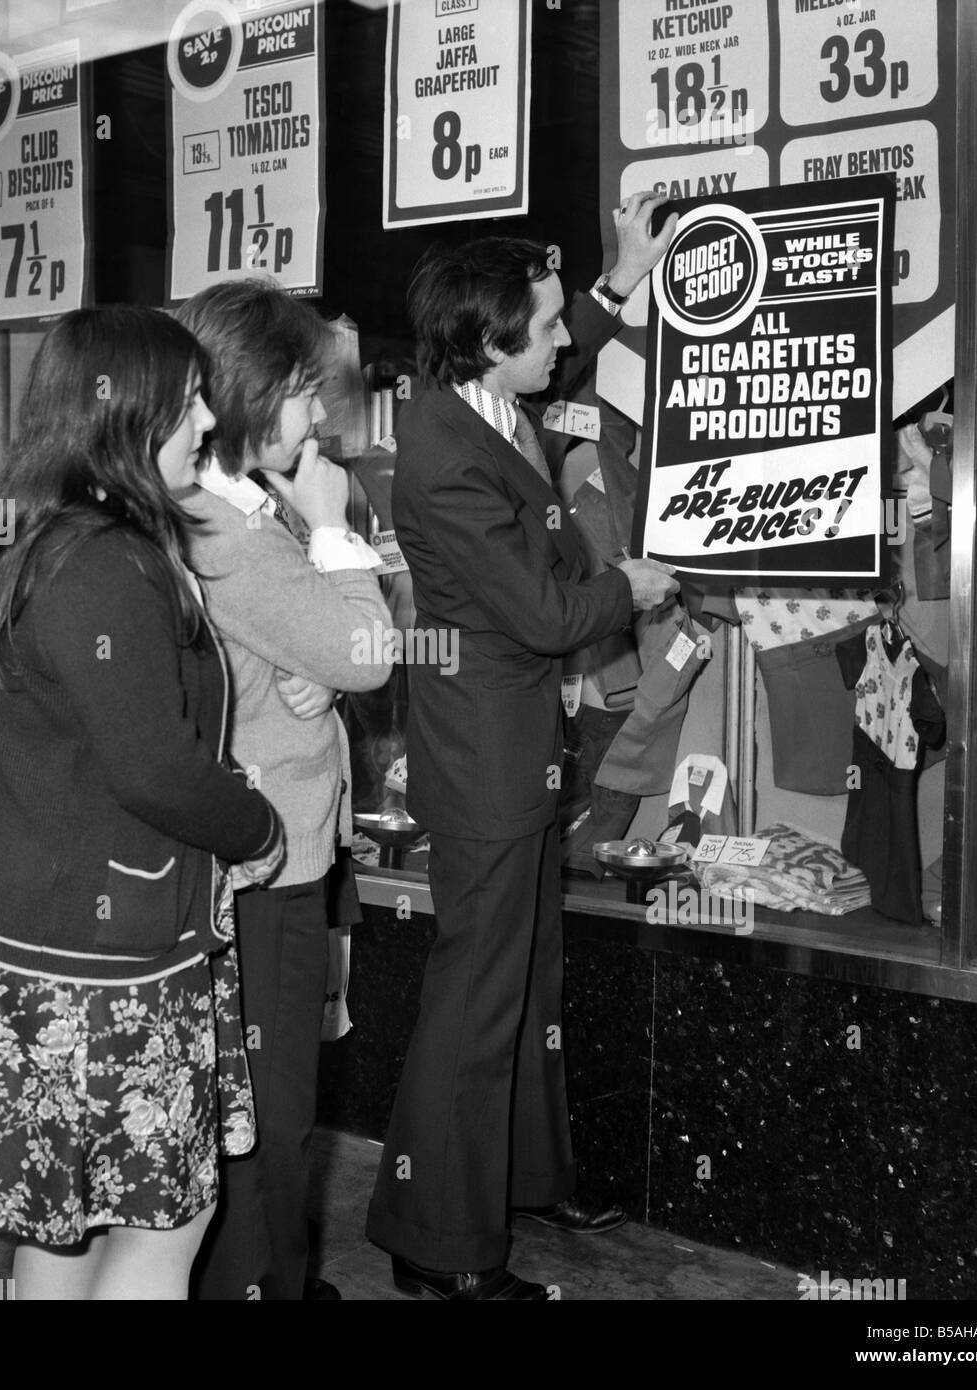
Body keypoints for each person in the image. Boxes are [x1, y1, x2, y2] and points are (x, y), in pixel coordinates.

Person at [0, 304, 284, 1300]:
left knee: (66, 1221)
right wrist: (256, 824)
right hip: (92, 962)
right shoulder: (105, 561)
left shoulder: (58, 538)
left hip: (54, 941)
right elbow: (152, 768)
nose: (207, 419)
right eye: (189, 398)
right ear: (124, 412)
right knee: (167, 1214)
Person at [365, 192, 681, 1299]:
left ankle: (518, 1176)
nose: (562, 343)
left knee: (527, 977)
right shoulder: (444, 457)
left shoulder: (484, 405)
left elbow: (559, 344)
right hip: (486, 757)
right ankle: (433, 1241)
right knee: (478, 993)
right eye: (542, 329)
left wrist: (615, 278)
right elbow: (547, 618)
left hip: (518, 746)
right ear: (488, 344)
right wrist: (629, 585)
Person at [177, 280, 394, 1301]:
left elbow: (310, 656)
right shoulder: (234, 532)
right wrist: (334, 522)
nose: (319, 418)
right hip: (265, 868)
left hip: (267, 853)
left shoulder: (237, 517)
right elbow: (368, 648)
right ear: (257, 392)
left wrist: (308, 662)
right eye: (307, 393)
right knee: (269, 1114)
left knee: (262, 1110)